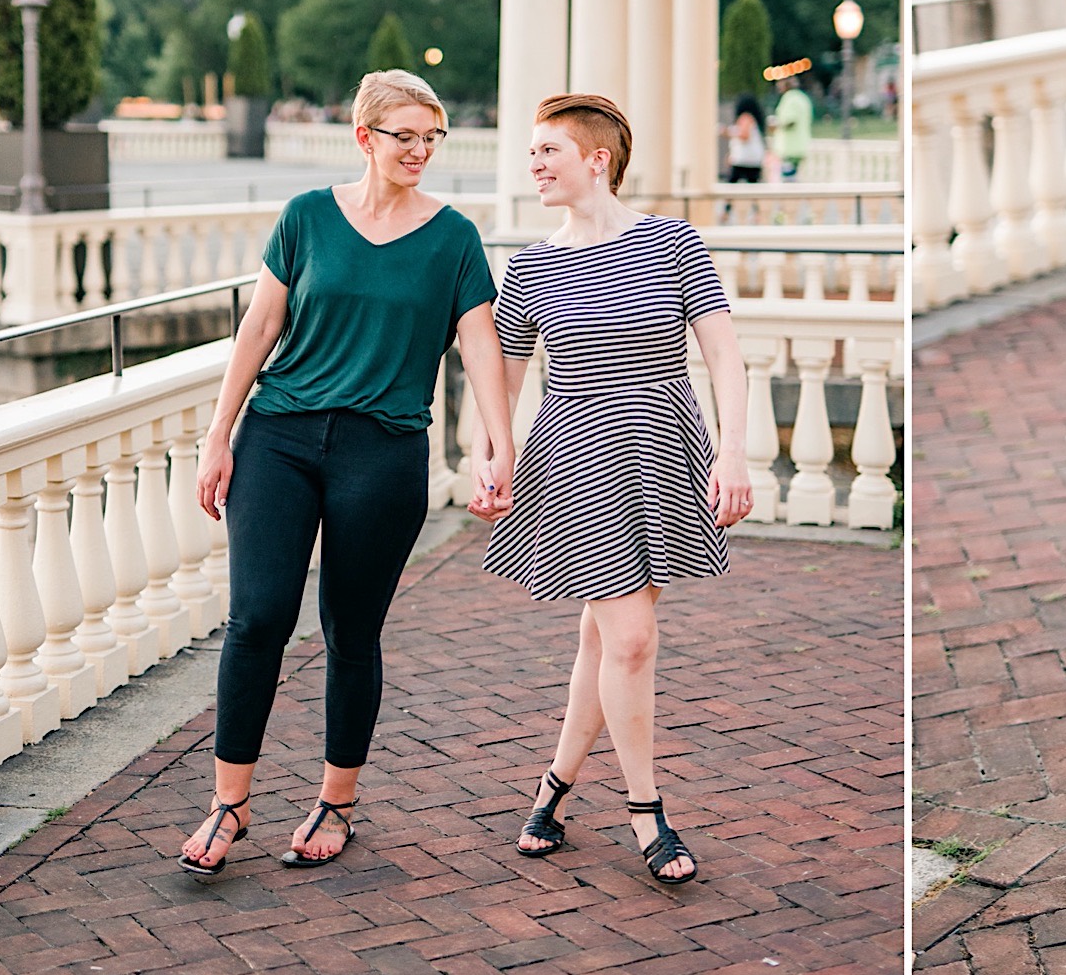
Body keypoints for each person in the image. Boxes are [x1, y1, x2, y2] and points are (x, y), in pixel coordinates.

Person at [177, 69, 517, 875]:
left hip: (384, 449)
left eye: (432, 138)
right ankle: (229, 803)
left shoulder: (454, 238)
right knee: (257, 619)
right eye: (405, 136)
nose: (420, 152)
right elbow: (261, 326)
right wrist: (217, 434)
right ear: (365, 137)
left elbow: (480, 344)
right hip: (280, 439)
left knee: (350, 631)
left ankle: (337, 800)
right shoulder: (305, 218)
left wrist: (496, 445)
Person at [469, 93, 751, 885]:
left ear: (599, 159)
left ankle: (552, 794)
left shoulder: (672, 241)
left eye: (549, 150)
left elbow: (725, 357)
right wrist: (494, 455)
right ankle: (645, 811)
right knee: (628, 639)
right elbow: (506, 378)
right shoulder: (530, 265)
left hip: (663, 452)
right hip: (574, 461)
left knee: (604, 640)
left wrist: (732, 453)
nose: (535, 165)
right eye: (531, 153)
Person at [769, 73, 813, 180]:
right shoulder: (803, 98)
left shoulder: (790, 98)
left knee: (788, 178)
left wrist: (776, 124)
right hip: (800, 145)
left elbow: (790, 120)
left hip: (789, 148)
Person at [725, 93, 766, 183]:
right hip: (755, 159)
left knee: (731, 185)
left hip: (743, 159)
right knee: (753, 187)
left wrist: (727, 132)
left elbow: (744, 136)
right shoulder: (754, 119)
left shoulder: (745, 117)